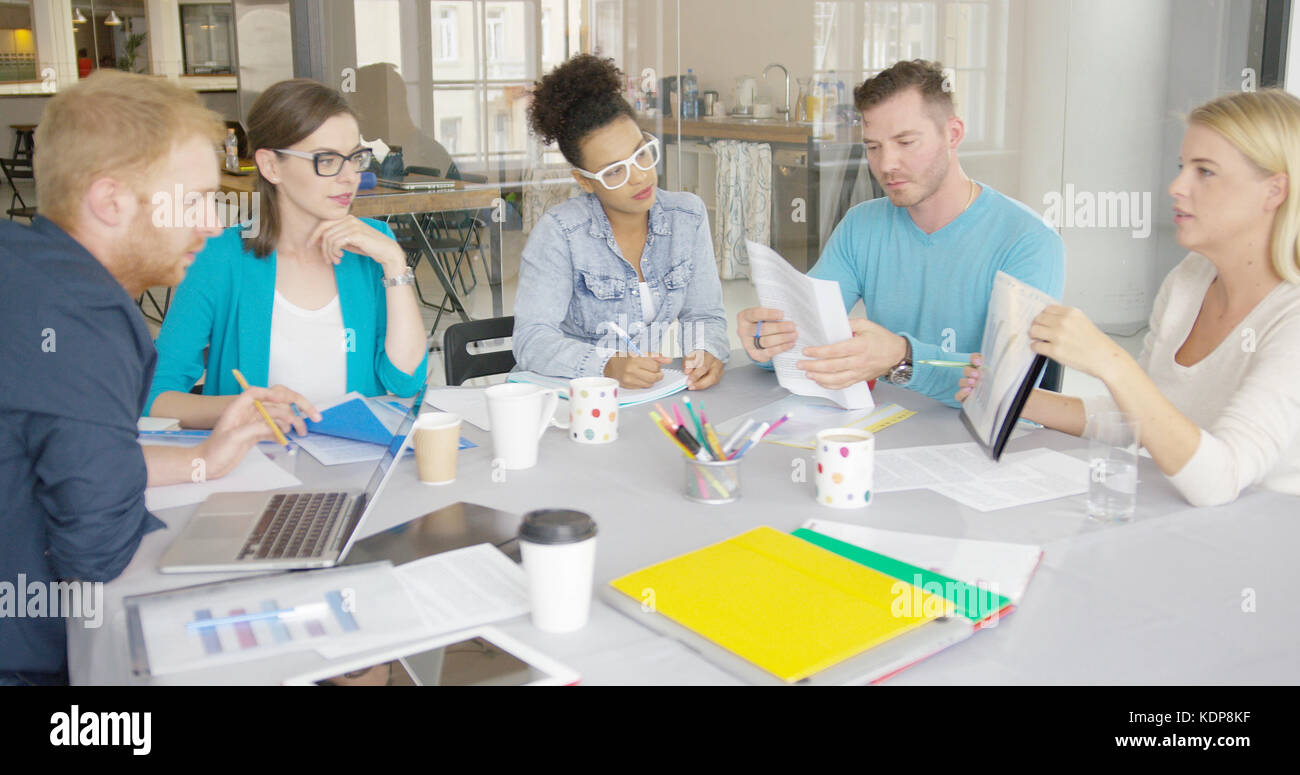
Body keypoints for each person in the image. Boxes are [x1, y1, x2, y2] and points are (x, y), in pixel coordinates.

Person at [0, 71, 314, 685]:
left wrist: (205, 459)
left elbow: (66, 459)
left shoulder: (28, 269)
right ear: (111, 200)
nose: (212, 222)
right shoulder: (84, 319)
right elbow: (94, 550)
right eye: (195, 199)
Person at [958, 89, 1300, 506]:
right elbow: (1139, 419)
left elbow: (1220, 480)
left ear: (1274, 191)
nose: (1177, 186)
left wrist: (1109, 359)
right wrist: (1014, 396)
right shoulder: (1189, 280)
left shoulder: (1291, 318)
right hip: (1181, 528)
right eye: (1182, 167)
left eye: (1205, 172)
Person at [737, 59, 1064, 406]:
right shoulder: (861, 225)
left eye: (906, 142)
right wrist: (767, 342)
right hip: (886, 431)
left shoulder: (1029, 240)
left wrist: (903, 358)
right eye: (873, 147)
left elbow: (1014, 391)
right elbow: (806, 337)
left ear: (952, 134)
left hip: (984, 448)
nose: (886, 164)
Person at [147, 78, 428, 426]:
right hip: (257, 467)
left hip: (358, 464)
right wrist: (248, 412)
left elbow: (405, 382)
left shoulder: (374, 245)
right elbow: (154, 395)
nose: (350, 177)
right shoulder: (220, 256)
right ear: (271, 166)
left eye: (355, 158)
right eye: (326, 160)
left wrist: (394, 264)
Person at [513, 55, 729, 390]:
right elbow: (531, 340)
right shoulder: (561, 234)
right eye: (614, 171)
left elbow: (703, 316)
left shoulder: (687, 217)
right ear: (584, 180)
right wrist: (606, 366)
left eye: (641, 153)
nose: (640, 176)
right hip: (573, 401)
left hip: (641, 400)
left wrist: (706, 351)